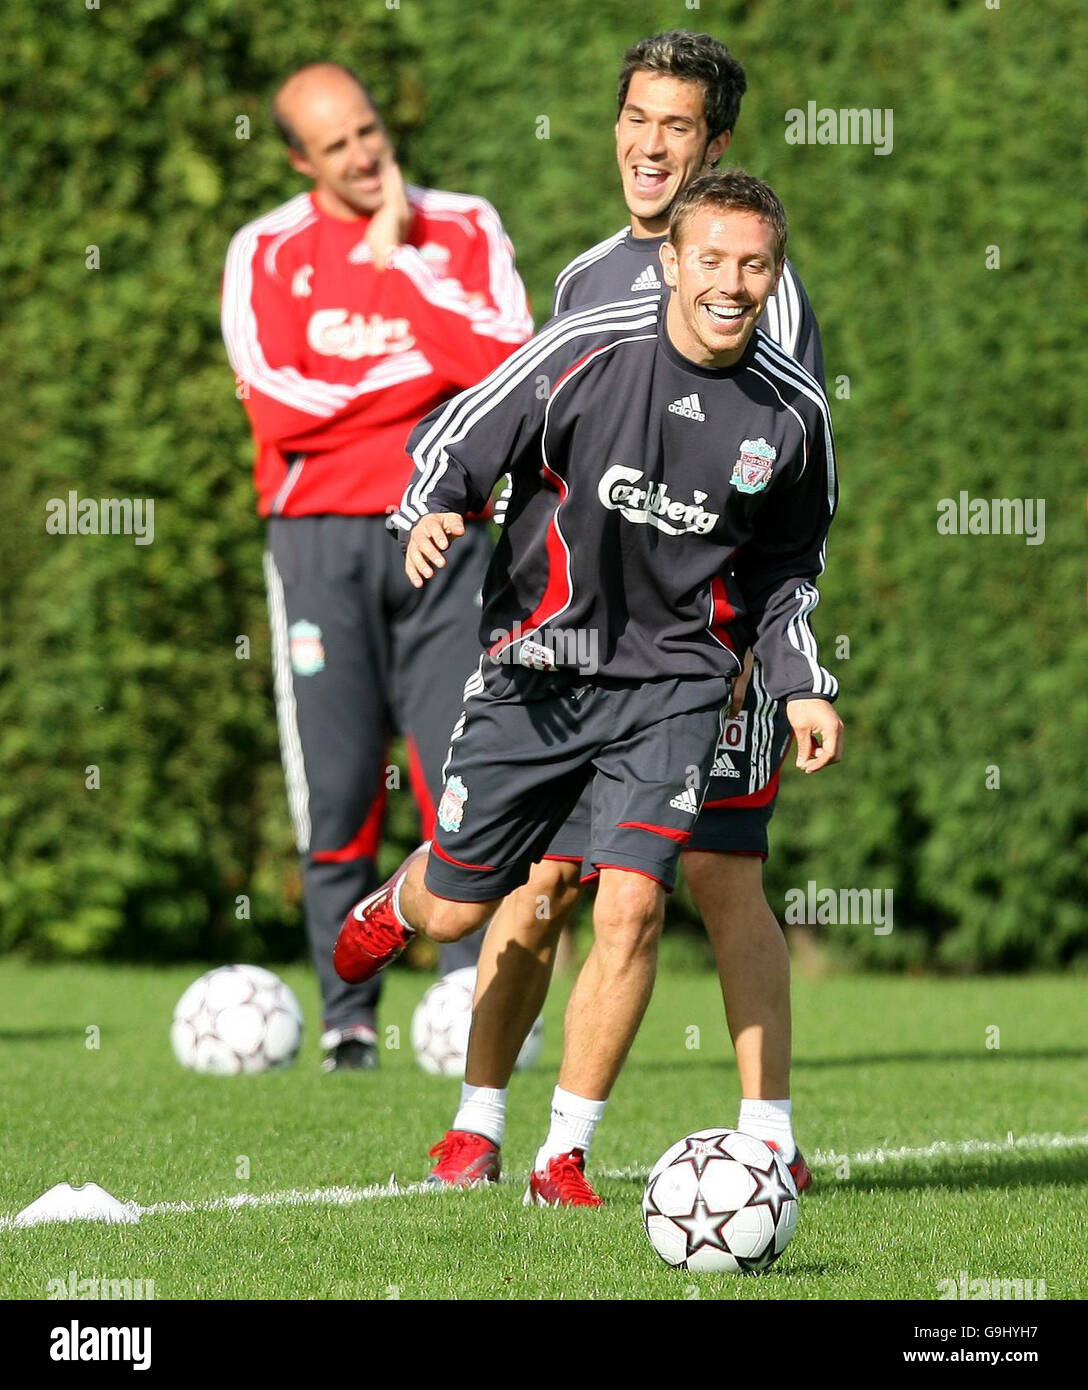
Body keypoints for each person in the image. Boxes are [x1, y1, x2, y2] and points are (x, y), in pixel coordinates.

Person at [335, 170, 842, 1205]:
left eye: (752, 265)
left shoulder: (790, 411)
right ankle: (402, 896)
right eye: (710, 259)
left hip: (677, 687)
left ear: (773, 275)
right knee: (457, 907)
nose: (729, 283)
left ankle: (559, 1154)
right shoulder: (583, 348)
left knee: (630, 909)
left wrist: (799, 687)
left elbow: (789, 572)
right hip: (539, 671)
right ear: (671, 261)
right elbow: (457, 442)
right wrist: (430, 511)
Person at [427, 30, 826, 1192]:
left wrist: (767, 658)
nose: (651, 145)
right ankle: (477, 1121)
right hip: (568, 653)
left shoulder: (760, 291)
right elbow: (536, 443)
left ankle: (766, 1137)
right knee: (537, 882)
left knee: (717, 871)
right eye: (637, 119)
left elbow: (781, 486)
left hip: (707, 652)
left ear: (715, 147)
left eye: (678, 126)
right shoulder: (587, 276)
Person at [221, 63, 532, 1070]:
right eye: (335, 144)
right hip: (314, 537)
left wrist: (402, 270)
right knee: (341, 783)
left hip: (441, 528)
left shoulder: (465, 225)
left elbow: (511, 366)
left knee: (464, 774)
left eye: (367, 130)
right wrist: (421, 374)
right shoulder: (265, 248)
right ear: (297, 159)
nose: (362, 155)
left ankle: (466, 1007)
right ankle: (348, 1018)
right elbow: (275, 406)